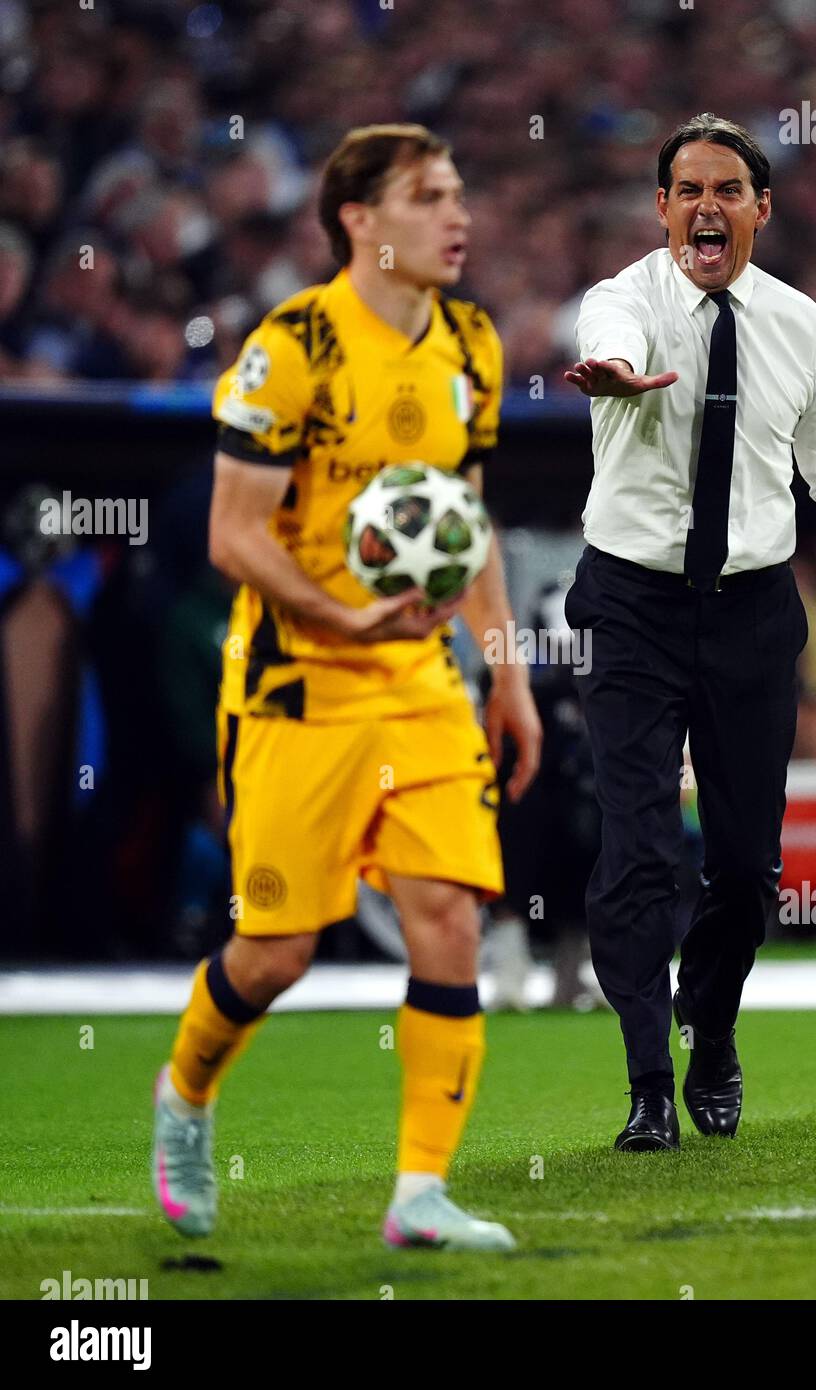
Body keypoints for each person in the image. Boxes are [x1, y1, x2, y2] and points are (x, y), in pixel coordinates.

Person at [151, 123, 542, 1249]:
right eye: (428, 196)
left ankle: (419, 1192)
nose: (456, 215)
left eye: (459, 193)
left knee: (449, 918)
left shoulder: (470, 344)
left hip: (418, 685)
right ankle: (185, 1096)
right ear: (359, 220)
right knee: (277, 950)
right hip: (297, 683)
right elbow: (232, 535)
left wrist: (504, 674)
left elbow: (463, 526)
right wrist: (339, 611)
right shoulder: (295, 346)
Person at [563, 113, 816, 1151]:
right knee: (640, 848)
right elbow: (604, 339)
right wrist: (614, 372)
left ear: (760, 209)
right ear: (662, 208)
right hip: (631, 602)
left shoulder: (802, 324)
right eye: (686, 189)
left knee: (748, 865)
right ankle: (646, 1081)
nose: (705, 205)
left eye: (726, 189)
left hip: (753, 609)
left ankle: (710, 1027)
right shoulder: (620, 301)